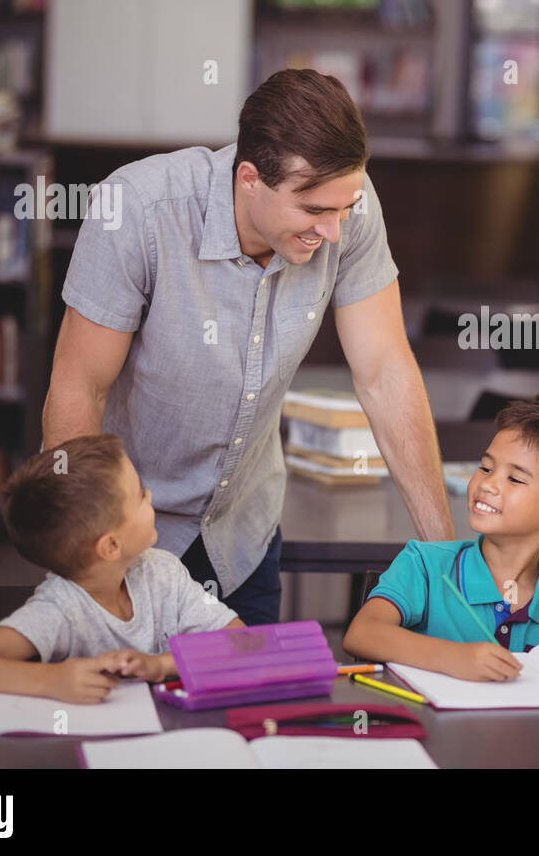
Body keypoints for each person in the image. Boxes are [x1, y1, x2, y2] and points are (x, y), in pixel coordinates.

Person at [42, 69, 453, 626]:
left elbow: (385, 373)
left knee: (249, 709)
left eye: (344, 209)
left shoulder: (344, 204)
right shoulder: (138, 209)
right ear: (249, 178)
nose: (332, 231)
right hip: (126, 537)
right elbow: (78, 388)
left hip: (241, 540)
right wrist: (91, 567)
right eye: (311, 211)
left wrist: (446, 558)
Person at [0, 434, 241, 704]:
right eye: (140, 495)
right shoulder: (59, 608)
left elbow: (241, 641)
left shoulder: (164, 573)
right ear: (110, 547)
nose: (150, 496)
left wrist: (161, 666)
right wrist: (52, 680)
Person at [343, 396, 539, 680]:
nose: (487, 484)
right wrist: (451, 656)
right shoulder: (425, 565)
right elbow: (362, 634)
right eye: (486, 468)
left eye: (515, 479)